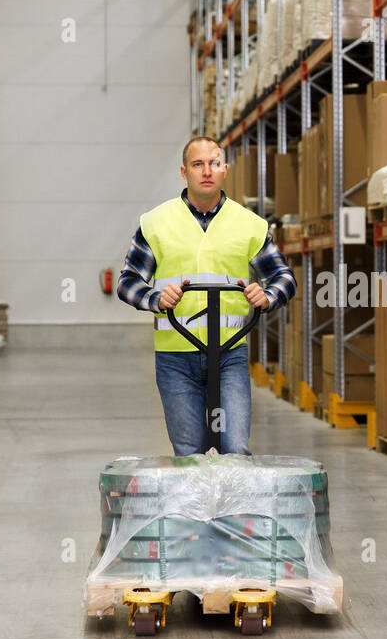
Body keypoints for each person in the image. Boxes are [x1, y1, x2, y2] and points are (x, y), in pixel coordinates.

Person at [118, 137, 295, 456]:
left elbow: (283, 278)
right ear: (184, 172)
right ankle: (193, 508)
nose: (206, 171)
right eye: (198, 164)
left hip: (230, 354)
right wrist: (156, 298)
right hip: (176, 357)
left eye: (214, 163)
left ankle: (234, 508)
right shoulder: (155, 223)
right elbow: (128, 281)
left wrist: (266, 296)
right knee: (189, 452)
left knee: (235, 448)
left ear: (225, 170)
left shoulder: (249, 224)